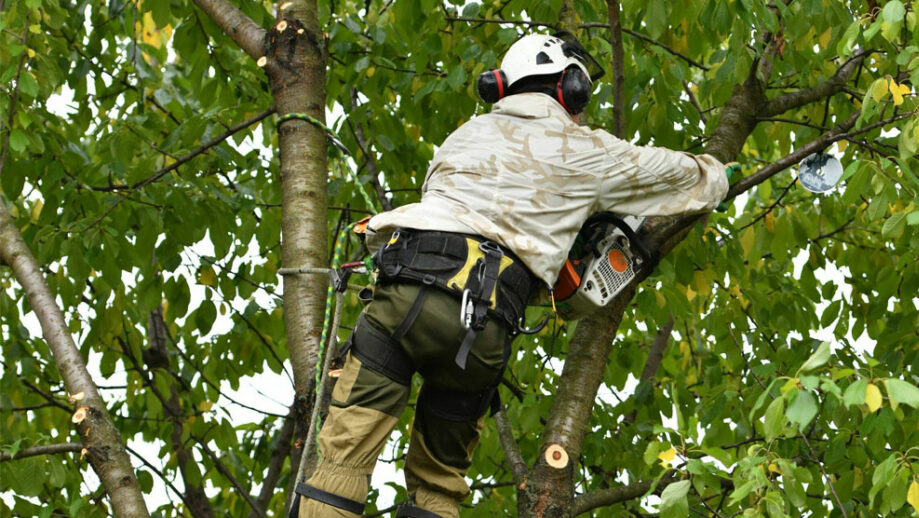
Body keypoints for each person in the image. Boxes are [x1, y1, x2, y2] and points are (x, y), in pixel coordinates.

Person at [295, 33, 728, 518]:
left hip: (400, 297)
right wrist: (720, 172)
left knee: (340, 465)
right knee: (438, 489)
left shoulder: (462, 136)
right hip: (481, 327)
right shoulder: (585, 149)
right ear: (569, 87)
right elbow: (688, 178)